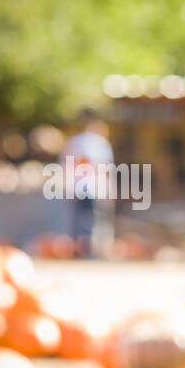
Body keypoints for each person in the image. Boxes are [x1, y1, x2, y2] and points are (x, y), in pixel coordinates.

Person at [64, 109, 115, 258]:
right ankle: (86, 250)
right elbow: (102, 167)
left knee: (80, 219)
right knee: (89, 219)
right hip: (90, 187)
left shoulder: (74, 142)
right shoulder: (98, 144)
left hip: (78, 185)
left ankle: (80, 249)